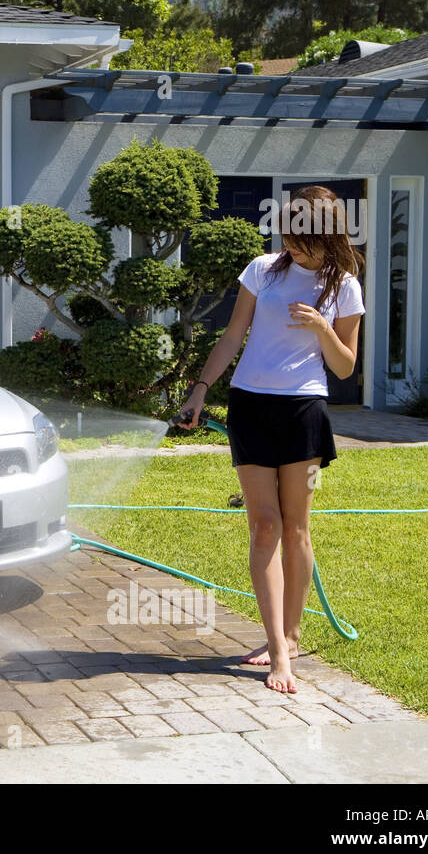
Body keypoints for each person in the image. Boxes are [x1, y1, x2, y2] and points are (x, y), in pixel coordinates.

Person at [177, 185, 365, 694]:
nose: (289, 244)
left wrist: (324, 327)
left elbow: (345, 366)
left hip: (304, 411)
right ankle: (277, 649)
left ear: (325, 236)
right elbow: (234, 334)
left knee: (297, 530)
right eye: (285, 233)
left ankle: (292, 634)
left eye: (299, 237)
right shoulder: (263, 270)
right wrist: (200, 390)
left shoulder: (343, 285)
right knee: (264, 527)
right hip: (251, 406)